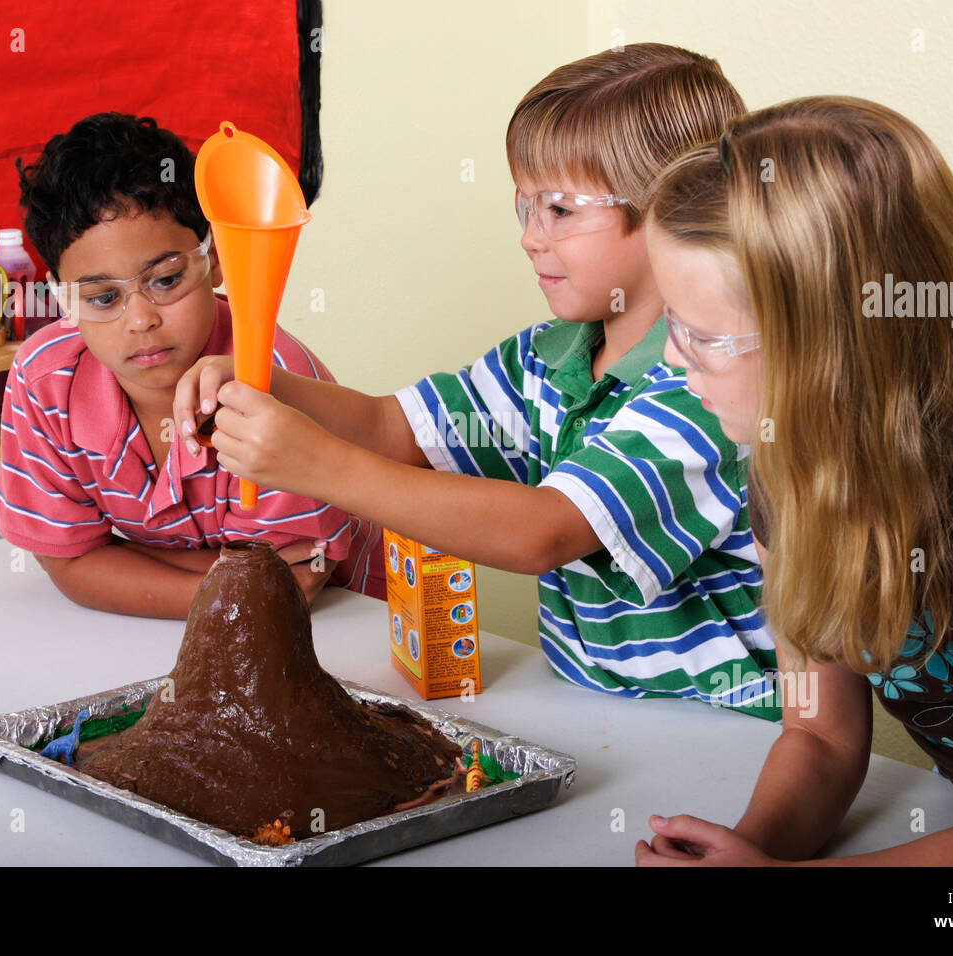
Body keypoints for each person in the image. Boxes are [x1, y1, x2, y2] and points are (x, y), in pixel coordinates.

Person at [173, 44, 780, 715]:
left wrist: (318, 467)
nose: (529, 237)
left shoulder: (709, 385)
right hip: (602, 710)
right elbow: (388, 427)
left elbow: (545, 532)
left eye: (560, 210)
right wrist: (261, 382)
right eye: (525, 207)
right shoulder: (549, 355)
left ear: (668, 212)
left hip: (725, 733)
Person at [636, 95, 953, 865]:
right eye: (671, 322)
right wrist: (749, 849)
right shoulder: (786, 469)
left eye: (700, 335)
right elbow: (819, 733)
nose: (670, 360)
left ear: (829, 345)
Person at [0, 113, 385, 618]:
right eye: (102, 296)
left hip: (350, 626)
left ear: (215, 257)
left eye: (165, 280)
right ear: (63, 299)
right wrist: (228, 587)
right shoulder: (43, 381)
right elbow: (67, 564)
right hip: (171, 643)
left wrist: (123, 559)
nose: (140, 320)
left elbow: (294, 586)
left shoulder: (275, 380)